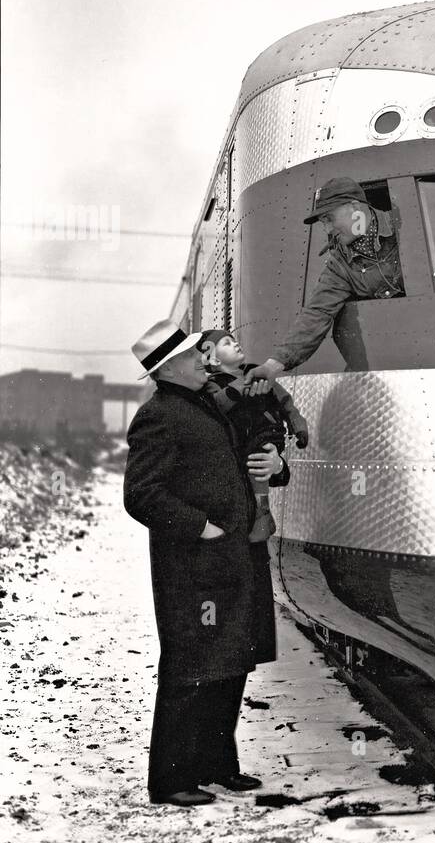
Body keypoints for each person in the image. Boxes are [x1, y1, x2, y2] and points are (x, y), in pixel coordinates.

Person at [123, 319, 288, 807]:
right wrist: (201, 527)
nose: (206, 360)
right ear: (172, 367)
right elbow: (141, 495)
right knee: (190, 669)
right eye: (197, 356)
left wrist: (276, 466)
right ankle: (172, 781)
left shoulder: (208, 404)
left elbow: (253, 453)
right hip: (193, 568)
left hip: (233, 559)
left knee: (230, 662)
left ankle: (217, 766)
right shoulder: (160, 415)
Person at [246, 176, 403, 384]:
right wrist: (273, 365)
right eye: (323, 223)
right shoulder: (339, 264)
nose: (328, 230)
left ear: (355, 208)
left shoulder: (404, 225)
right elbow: (317, 313)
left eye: (329, 218)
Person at [199, 328, 308, 541]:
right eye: (226, 343)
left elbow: (287, 404)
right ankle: (261, 515)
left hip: (268, 435)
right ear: (213, 359)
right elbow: (216, 405)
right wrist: (241, 385)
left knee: (259, 462)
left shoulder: (260, 374)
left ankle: (261, 515)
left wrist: (299, 427)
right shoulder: (212, 384)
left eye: (234, 339)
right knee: (255, 465)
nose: (235, 344)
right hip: (244, 441)